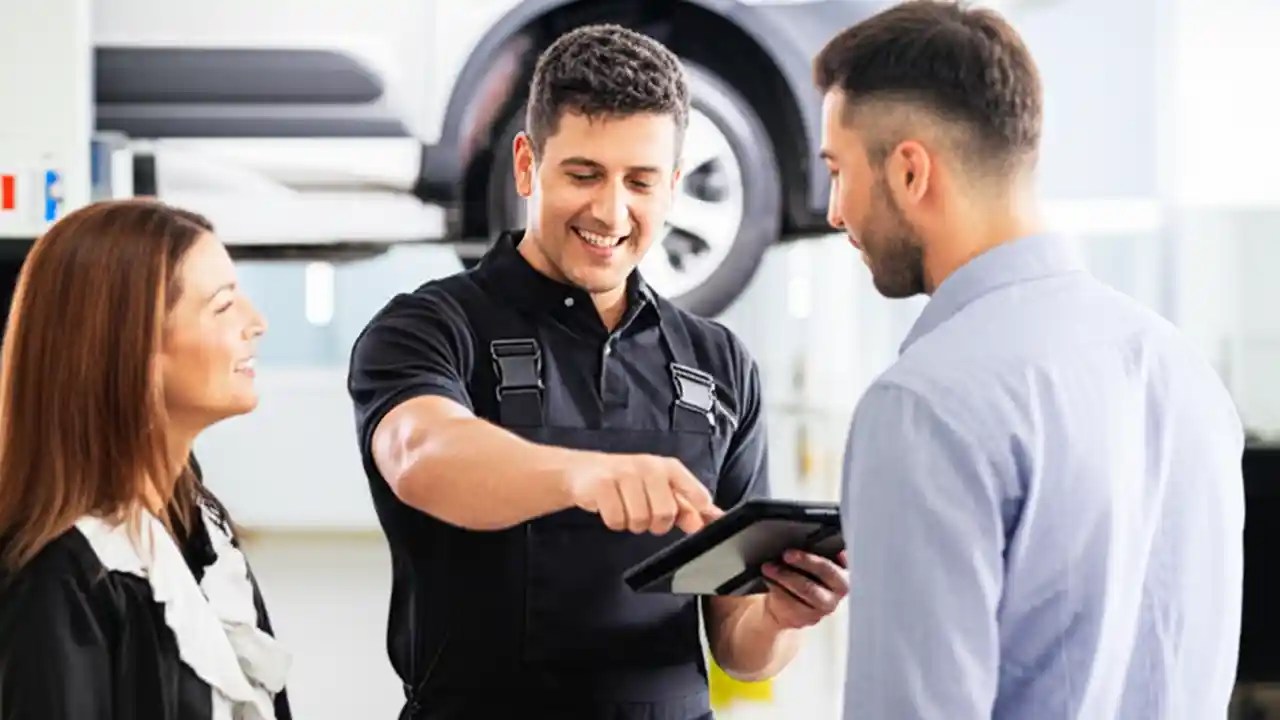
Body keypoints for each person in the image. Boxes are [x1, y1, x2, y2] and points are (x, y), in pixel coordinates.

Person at [347, 23, 848, 720]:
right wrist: (583, 475)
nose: (611, 212)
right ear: (527, 165)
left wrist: (784, 615)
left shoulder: (718, 365)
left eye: (640, 182)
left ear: (674, 186)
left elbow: (737, 641)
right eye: (583, 174)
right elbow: (420, 453)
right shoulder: (432, 327)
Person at [814, 2, 1245, 718]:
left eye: (839, 170)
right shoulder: (1181, 370)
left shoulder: (925, 406)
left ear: (911, 171)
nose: (834, 211)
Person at [0, 199, 291, 719]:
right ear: (133, 349)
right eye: (223, 306)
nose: (257, 323)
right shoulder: (59, 579)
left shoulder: (199, 527)